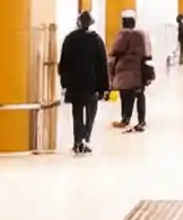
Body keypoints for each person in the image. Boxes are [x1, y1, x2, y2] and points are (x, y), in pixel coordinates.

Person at [58, 11, 109, 154]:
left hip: (75, 84)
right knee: (91, 112)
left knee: (77, 113)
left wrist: (65, 84)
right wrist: (104, 87)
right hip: (92, 83)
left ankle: (77, 141)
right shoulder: (97, 40)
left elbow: (64, 64)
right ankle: (86, 137)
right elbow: (102, 65)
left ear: (78, 22)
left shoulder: (70, 39)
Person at [109, 10, 151, 133]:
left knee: (125, 95)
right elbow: (147, 54)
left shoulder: (123, 35)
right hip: (139, 70)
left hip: (125, 71)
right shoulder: (140, 35)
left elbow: (115, 50)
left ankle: (125, 118)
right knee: (139, 95)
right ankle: (141, 120)